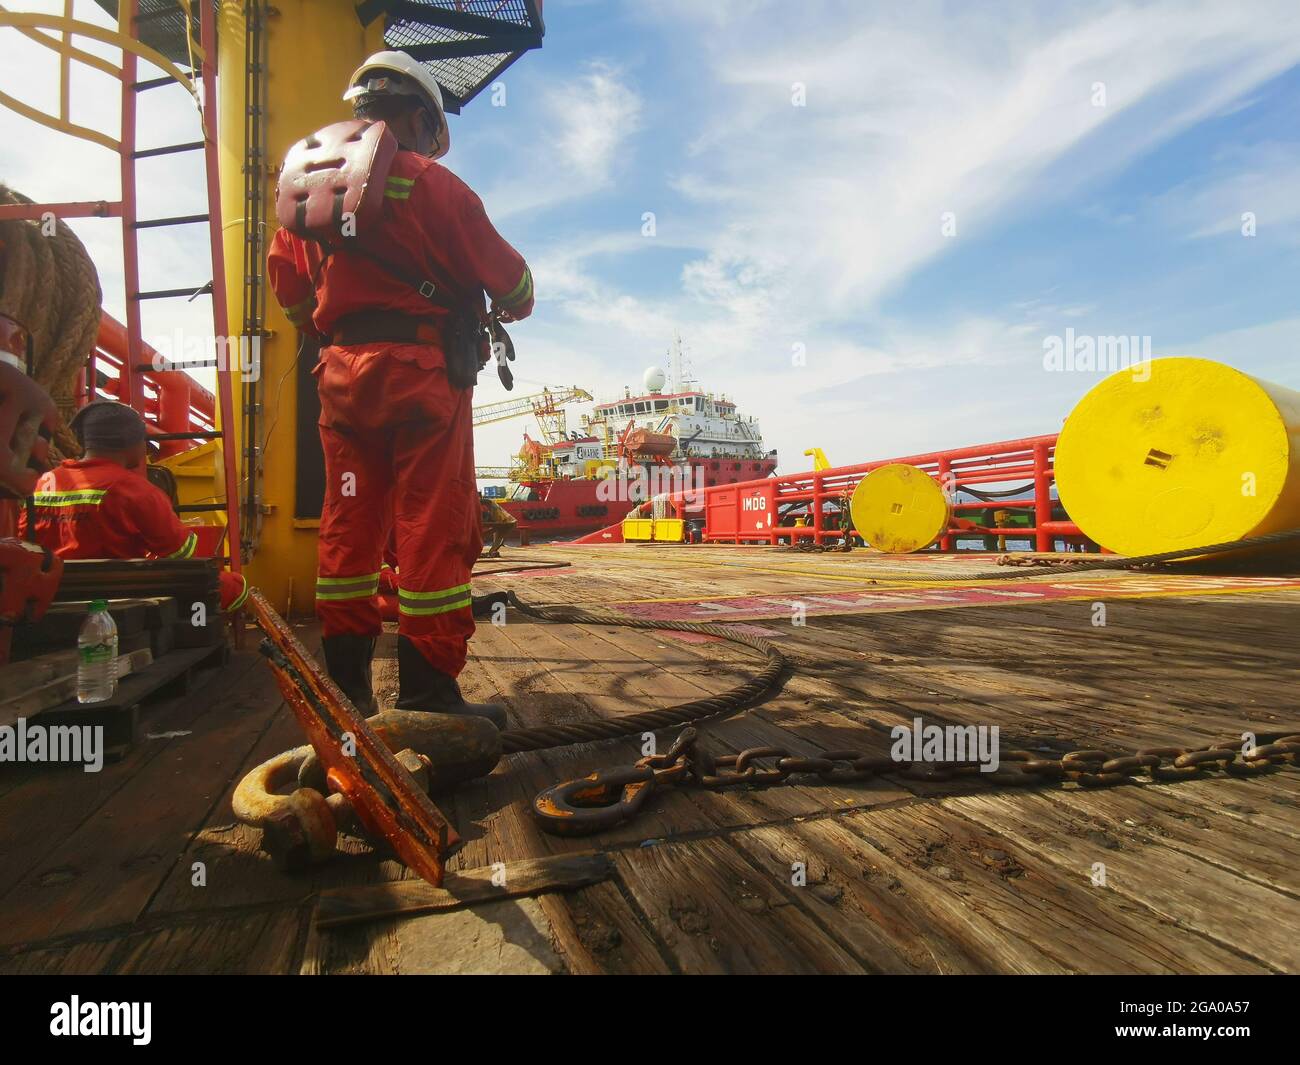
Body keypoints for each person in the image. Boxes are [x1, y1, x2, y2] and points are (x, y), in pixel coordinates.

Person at [266, 51, 534, 725]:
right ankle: (428, 695)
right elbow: (516, 288)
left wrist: (338, 325)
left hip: (340, 385)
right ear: (418, 118)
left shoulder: (303, 198)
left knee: (348, 533)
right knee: (432, 529)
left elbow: (292, 296)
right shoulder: (437, 188)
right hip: (421, 385)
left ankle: (348, 693)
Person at [21, 400, 248, 612]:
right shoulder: (135, 489)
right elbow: (182, 552)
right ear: (129, 443)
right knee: (233, 585)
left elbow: (22, 541)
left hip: (49, 597)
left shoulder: (41, 483)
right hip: (122, 602)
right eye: (143, 441)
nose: (145, 449)